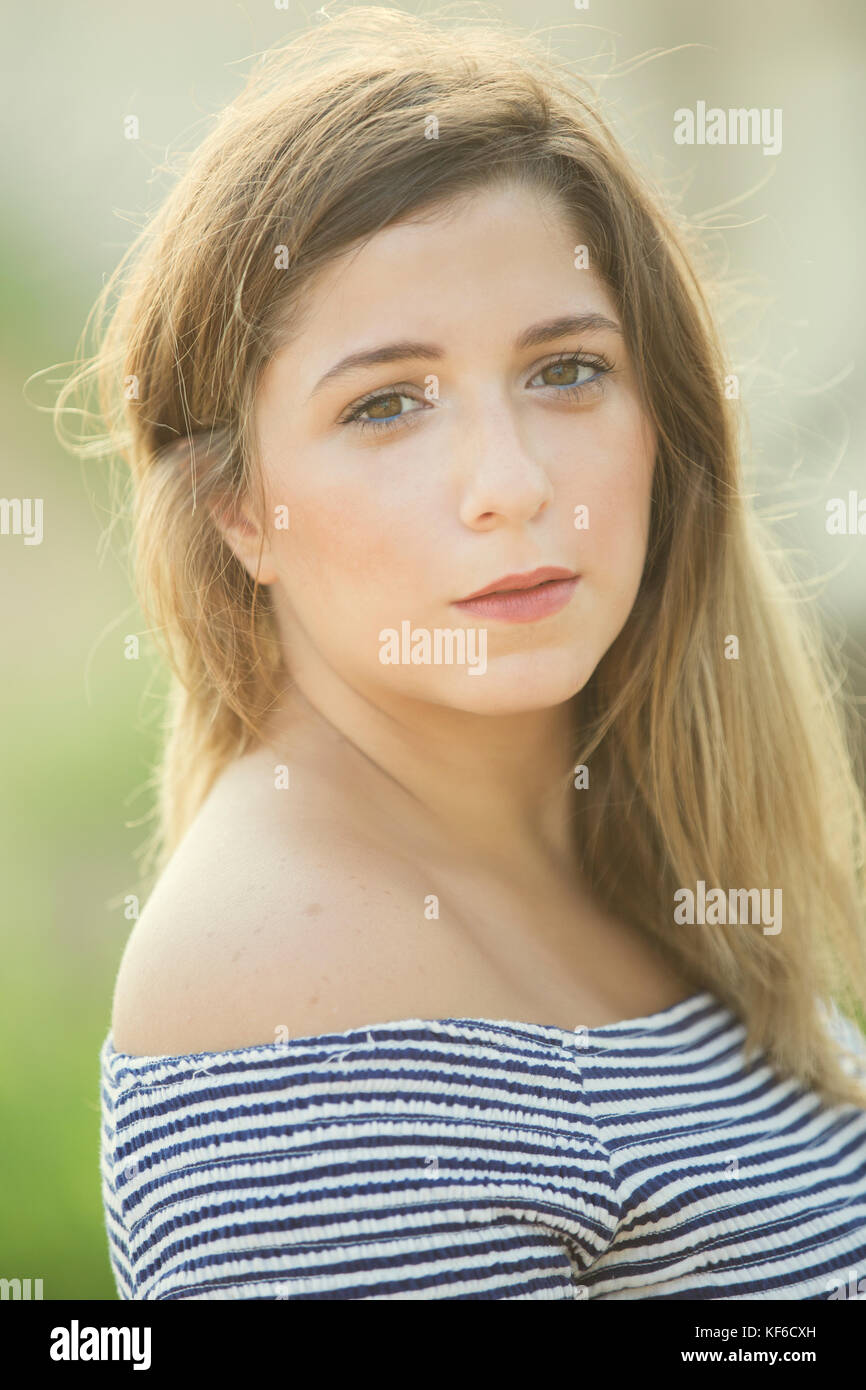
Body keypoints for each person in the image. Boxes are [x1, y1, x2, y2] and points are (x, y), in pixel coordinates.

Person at [59, 7, 866, 1298]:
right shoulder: (292, 983)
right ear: (238, 508)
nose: (511, 482)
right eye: (386, 402)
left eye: (564, 371)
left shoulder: (635, 852)